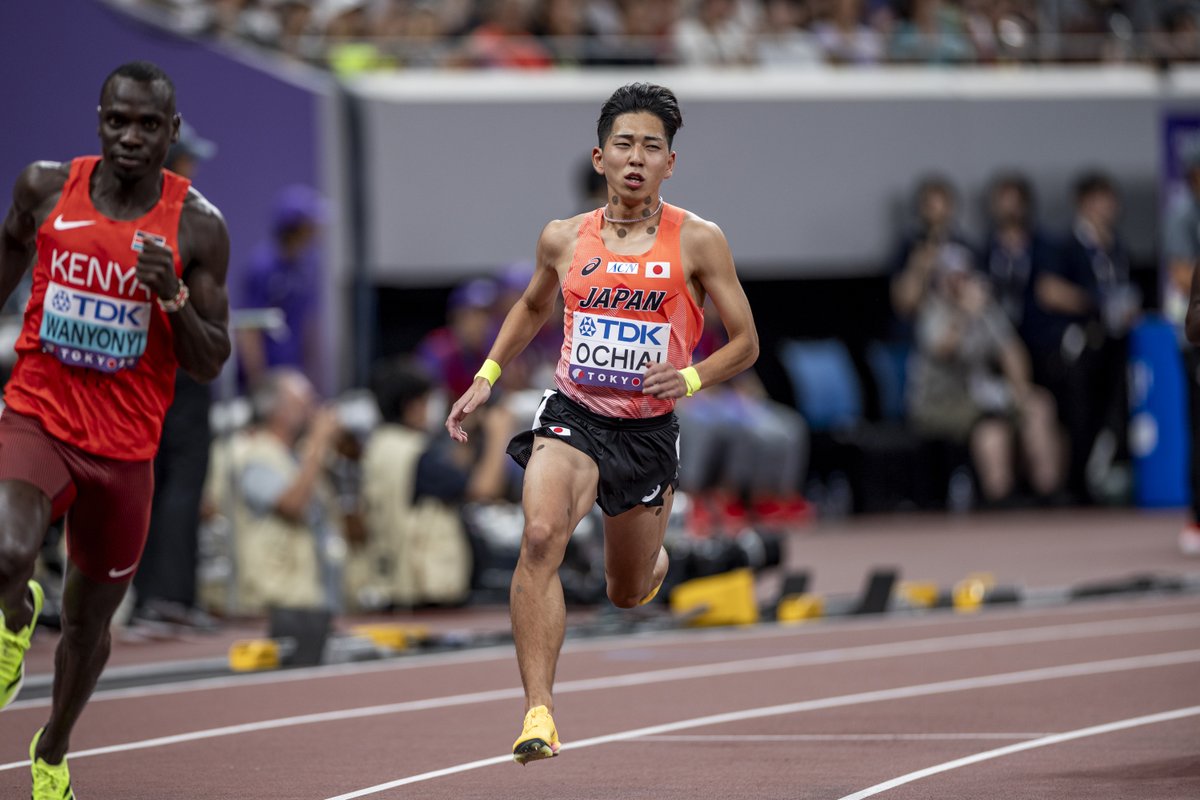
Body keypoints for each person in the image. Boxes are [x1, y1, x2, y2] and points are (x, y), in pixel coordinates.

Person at [445, 82, 759, 764]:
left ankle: (655, 559)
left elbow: (746, 342)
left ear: (670, 164)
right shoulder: (563, 238)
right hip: (574, 417)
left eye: (652, 146)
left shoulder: (699, 241)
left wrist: (694, 377)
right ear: (600, 157)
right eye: (624, 145)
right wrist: (486, 377)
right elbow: (531, 308)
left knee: (626, 590)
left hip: (646, 434)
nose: (637, 158)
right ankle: (539, 712)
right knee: (538, 536)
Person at [0, 61, 231, 799]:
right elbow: (8, 247)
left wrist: (171, 297)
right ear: (98, 121)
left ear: (172, 131)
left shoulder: (198, 226)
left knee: (86, 627)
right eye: (117, 122)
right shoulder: (45, 188)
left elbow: (210, 360)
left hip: (125, 450)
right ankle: (11, 614)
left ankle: (53, 750)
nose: (130, 138)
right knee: (7, 549)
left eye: (147, 126)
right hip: (40, 411)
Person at [133, 120, 221, 631]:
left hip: (138, 367)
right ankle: (169, 597)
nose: (193, 170)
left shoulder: (125, 211)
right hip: (179, 362)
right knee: (182, 478)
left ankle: (150, 596)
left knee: (151, 479)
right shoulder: (184, 217)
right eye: (187, 160)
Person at [231, 369, 344, 614]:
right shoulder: (257, 455)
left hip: (307, 595)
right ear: (278, 411)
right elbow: (292, 505)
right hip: (274, 598)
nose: (314, 410)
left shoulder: (294, 456)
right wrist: (318, 442)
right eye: (305, 402)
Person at [236, 184, 325, 390]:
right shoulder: (262, 267)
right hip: (267, 379)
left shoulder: (306, 266)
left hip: (295, 374)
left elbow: (308, 324)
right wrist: (259, 386)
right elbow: (249, 328)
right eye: (312, 223)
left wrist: (314, 379)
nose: (318, 230)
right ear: (296, 227)